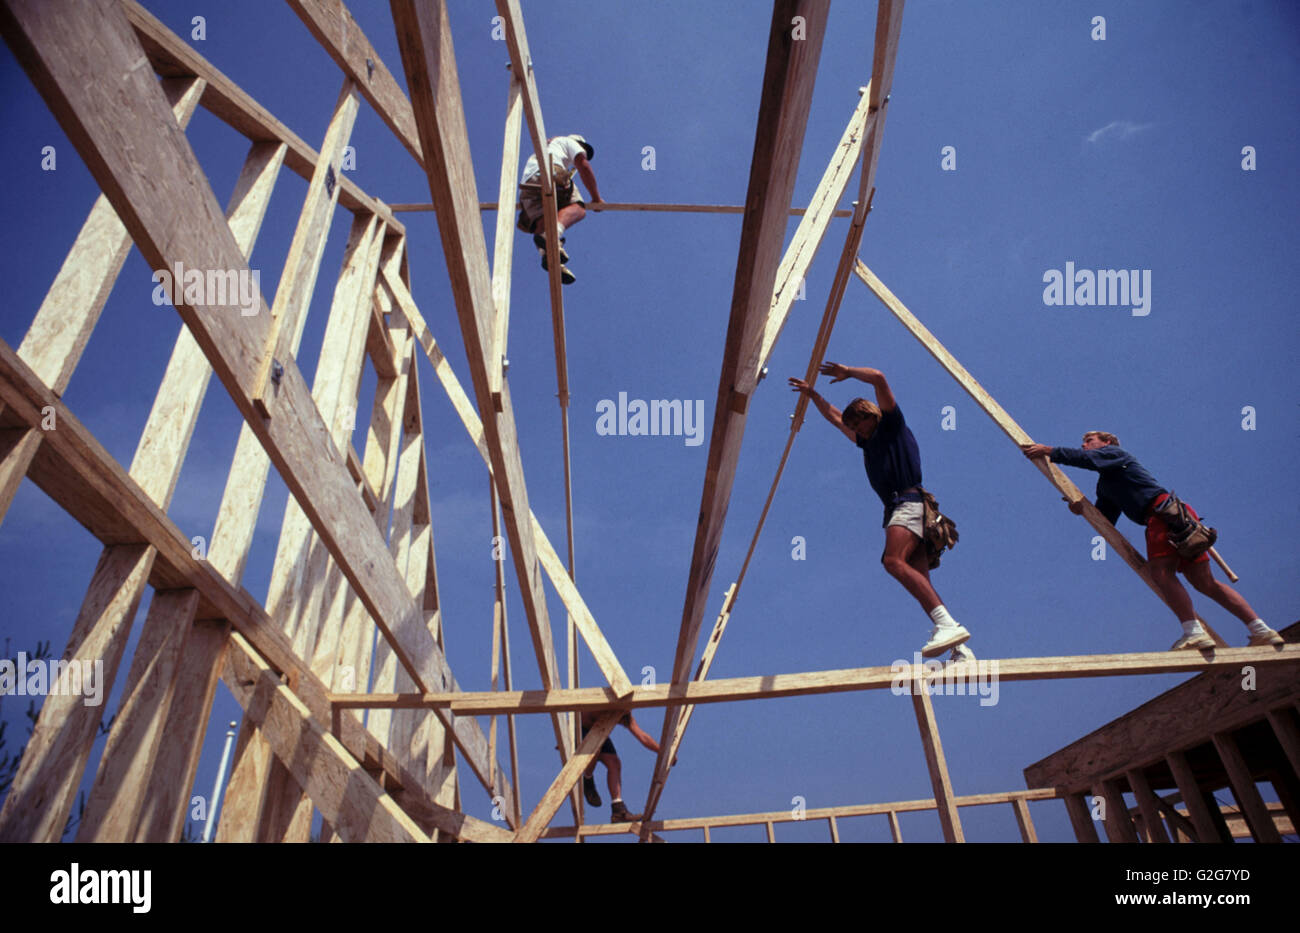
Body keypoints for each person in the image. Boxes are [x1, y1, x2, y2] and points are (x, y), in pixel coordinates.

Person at [1021, 431, 1282, 650]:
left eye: (1089, 440)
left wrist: (1050, 451)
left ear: (1106, 443)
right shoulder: (1107, 485)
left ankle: (1194, 633)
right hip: (1173, 517)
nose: (1084, 444)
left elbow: (1083, 458)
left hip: (1163, 514)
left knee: (1162, 573)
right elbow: (1105, 519)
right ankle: (1262, 631)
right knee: (1204, 582)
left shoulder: (1117, 455)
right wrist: (1082, 510)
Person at [789, 362, 973, 660]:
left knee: (892, 561)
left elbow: (879, 377)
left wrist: (847, 371)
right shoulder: (867, 443)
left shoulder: (891, 425)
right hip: (901, 509)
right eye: (854, 426)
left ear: (869, 414)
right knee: (919, 579)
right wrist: (813, 395)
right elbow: (836, 419)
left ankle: (947, 627)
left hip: (909, 504)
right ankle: (960, 648)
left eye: (859, 422)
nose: (856, 428)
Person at [516, 133, 603, 285]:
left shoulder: (547, 149)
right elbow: (583, 165)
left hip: (527, 188)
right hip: (551, 174)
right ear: (580, 144)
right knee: (579, 207)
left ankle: (548, 253)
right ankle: (552, 236)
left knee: (545, 220)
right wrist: (596, 198)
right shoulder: (569, 142)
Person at [580, 710, 661, 823]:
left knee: (614, 763)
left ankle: (618, 809)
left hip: (600, 732)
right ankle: (587, 780)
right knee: (595, 750)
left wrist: (663, 751)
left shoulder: (625, 715)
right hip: (580, 729)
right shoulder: (601, 703)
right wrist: (567, 739)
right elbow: (577, 712)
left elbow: (643, 736)